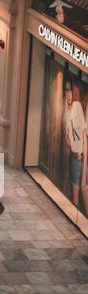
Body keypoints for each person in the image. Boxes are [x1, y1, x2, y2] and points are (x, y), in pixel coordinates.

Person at [63, 79, 86, 207]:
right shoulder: (66, 109)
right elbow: (66, 133)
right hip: (74, 156)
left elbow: (83, 134)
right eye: (66, 90)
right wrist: (70, 144)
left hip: (82, 156)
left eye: (70, 90)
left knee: (83, 191)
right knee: (75, 198)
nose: (68, 94)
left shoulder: (77, 107)